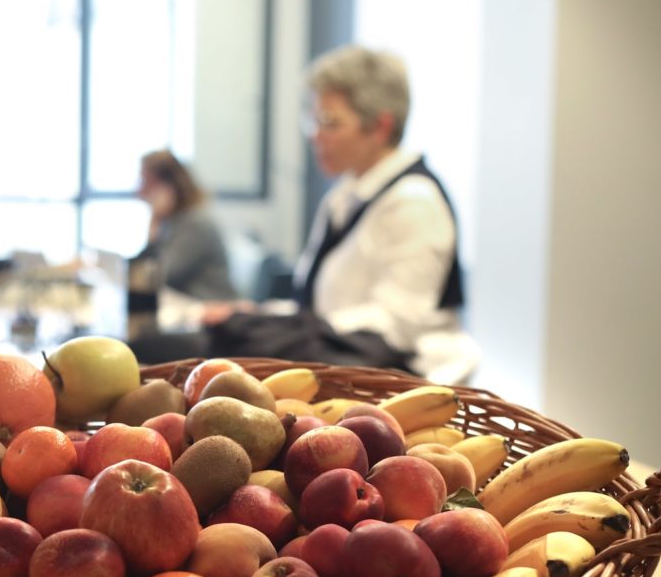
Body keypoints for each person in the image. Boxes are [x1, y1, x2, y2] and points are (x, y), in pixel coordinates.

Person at [144, 45, 475, 380]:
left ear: (379, 126)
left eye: (330, 122)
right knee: (170, 349)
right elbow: (318, 310)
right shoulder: (345, 195)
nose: (316, 135)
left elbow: (396, 327)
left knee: (183, 361)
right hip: (340, 360)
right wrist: (262, 314)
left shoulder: (413, 203)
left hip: (389, 381)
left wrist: (282, 325)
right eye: (314, 120)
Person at [135, 150, 236, 301]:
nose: (140, 192)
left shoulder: (195, 223)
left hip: (210, 307)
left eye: (145, 183)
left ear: (168, 187)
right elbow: (143, 267)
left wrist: (154, 221)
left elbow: (163, 275)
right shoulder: (172, 222)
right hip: (186, 306)